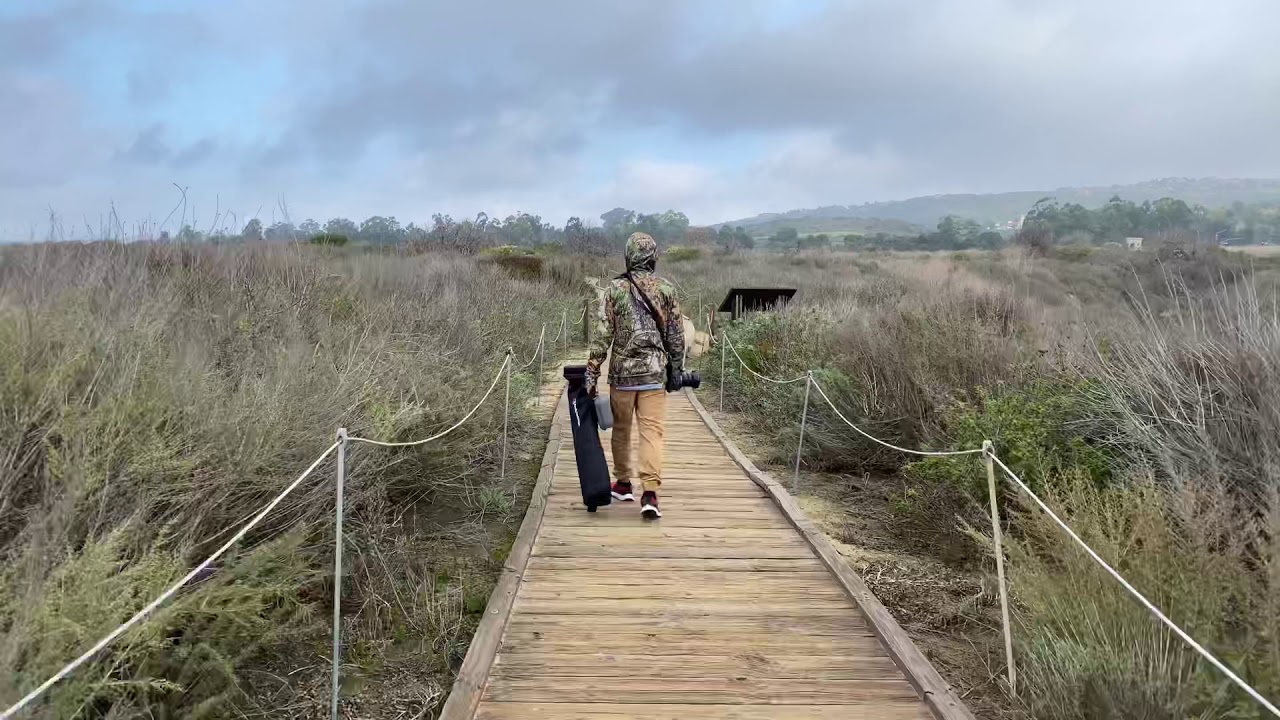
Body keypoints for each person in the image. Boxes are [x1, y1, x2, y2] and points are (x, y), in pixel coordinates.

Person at [584, 232, 686, 519]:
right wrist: (675, 371)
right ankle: (650, 493)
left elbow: (603, 334)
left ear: (628, 256)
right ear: (653, 257)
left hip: (623, 376)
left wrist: (592, 370)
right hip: (654, 375)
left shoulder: (615, 289)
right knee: (652, 433)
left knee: (621, 430)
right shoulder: (666, 289)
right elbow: (676, 336)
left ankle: (624, 483)